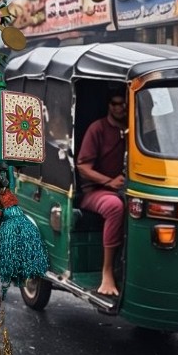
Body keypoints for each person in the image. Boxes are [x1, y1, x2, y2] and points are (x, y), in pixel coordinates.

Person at [77, 90, 128, 298]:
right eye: (115, 103)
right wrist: (109, 182)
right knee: (114, 206)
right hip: (96, 192)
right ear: (109, 105)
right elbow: (82, 166)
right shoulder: (97, 129)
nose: (119, 108)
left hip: (128, 188)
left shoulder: (136, 130)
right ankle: (107, 271)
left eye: (123, 104)